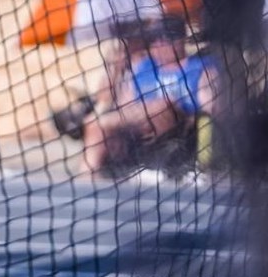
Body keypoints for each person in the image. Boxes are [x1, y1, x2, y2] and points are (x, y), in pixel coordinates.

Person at [81, 21, 209, 179]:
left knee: (162, 104)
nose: (158, 44)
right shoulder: (144, 67)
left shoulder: (197, 67)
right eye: (154, 40)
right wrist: (114, 68)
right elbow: (116, 101)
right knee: (94, 123)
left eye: (165, 39)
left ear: (180, 40)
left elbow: (209, 104)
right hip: (138, 123)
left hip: (178, 121)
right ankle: (88, 176)